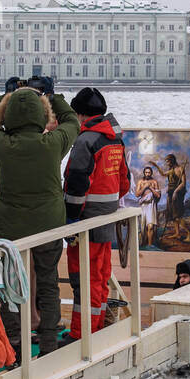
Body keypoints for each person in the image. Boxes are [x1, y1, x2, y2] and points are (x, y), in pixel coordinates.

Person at [0, 77, 80, 361]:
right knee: (48, 285)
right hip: (48, 228)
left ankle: (15, 347)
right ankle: (48, 345)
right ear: (42, 115)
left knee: (11, 288)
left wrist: (5, 97)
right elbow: (72, 120)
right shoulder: (53, 144)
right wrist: (53, 95)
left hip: (12, 231)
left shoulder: (2, 144)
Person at [63, 87, 131, 342]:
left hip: (85, 222)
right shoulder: (114, 138)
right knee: (100, 278)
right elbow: (125, 182)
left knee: (84, 280)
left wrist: (70, 220)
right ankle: (98, 328)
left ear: (80, 115)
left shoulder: (85, 141)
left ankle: (81, 336)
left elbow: (77, 185)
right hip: (107, 220)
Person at [148, 153, 189, 245]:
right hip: (170, 193)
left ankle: (188, 233)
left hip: (177, 194)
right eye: (166, 162)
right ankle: (177, 233)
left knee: (177, 215)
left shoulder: (180, 169)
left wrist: (176, 191)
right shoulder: (171, 170)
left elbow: (183, 183)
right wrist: (156, 166)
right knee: (173, 214)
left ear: (172, 160)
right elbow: (163, 174)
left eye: (168, 161)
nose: (167, 164)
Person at [131, 165, 162, 247]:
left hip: (151, 206)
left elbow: (158, 195)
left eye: (149, 172)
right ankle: (143, 243)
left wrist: (151, 188)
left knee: (150, 226)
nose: (147, 174)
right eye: (146, 172)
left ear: (151, 173)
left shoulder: (154, 182)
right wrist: (145, 186)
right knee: (143, 227)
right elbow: (137, 194)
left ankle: (150, 245)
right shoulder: (140, 182)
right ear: (144, 173)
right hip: (143, 205)